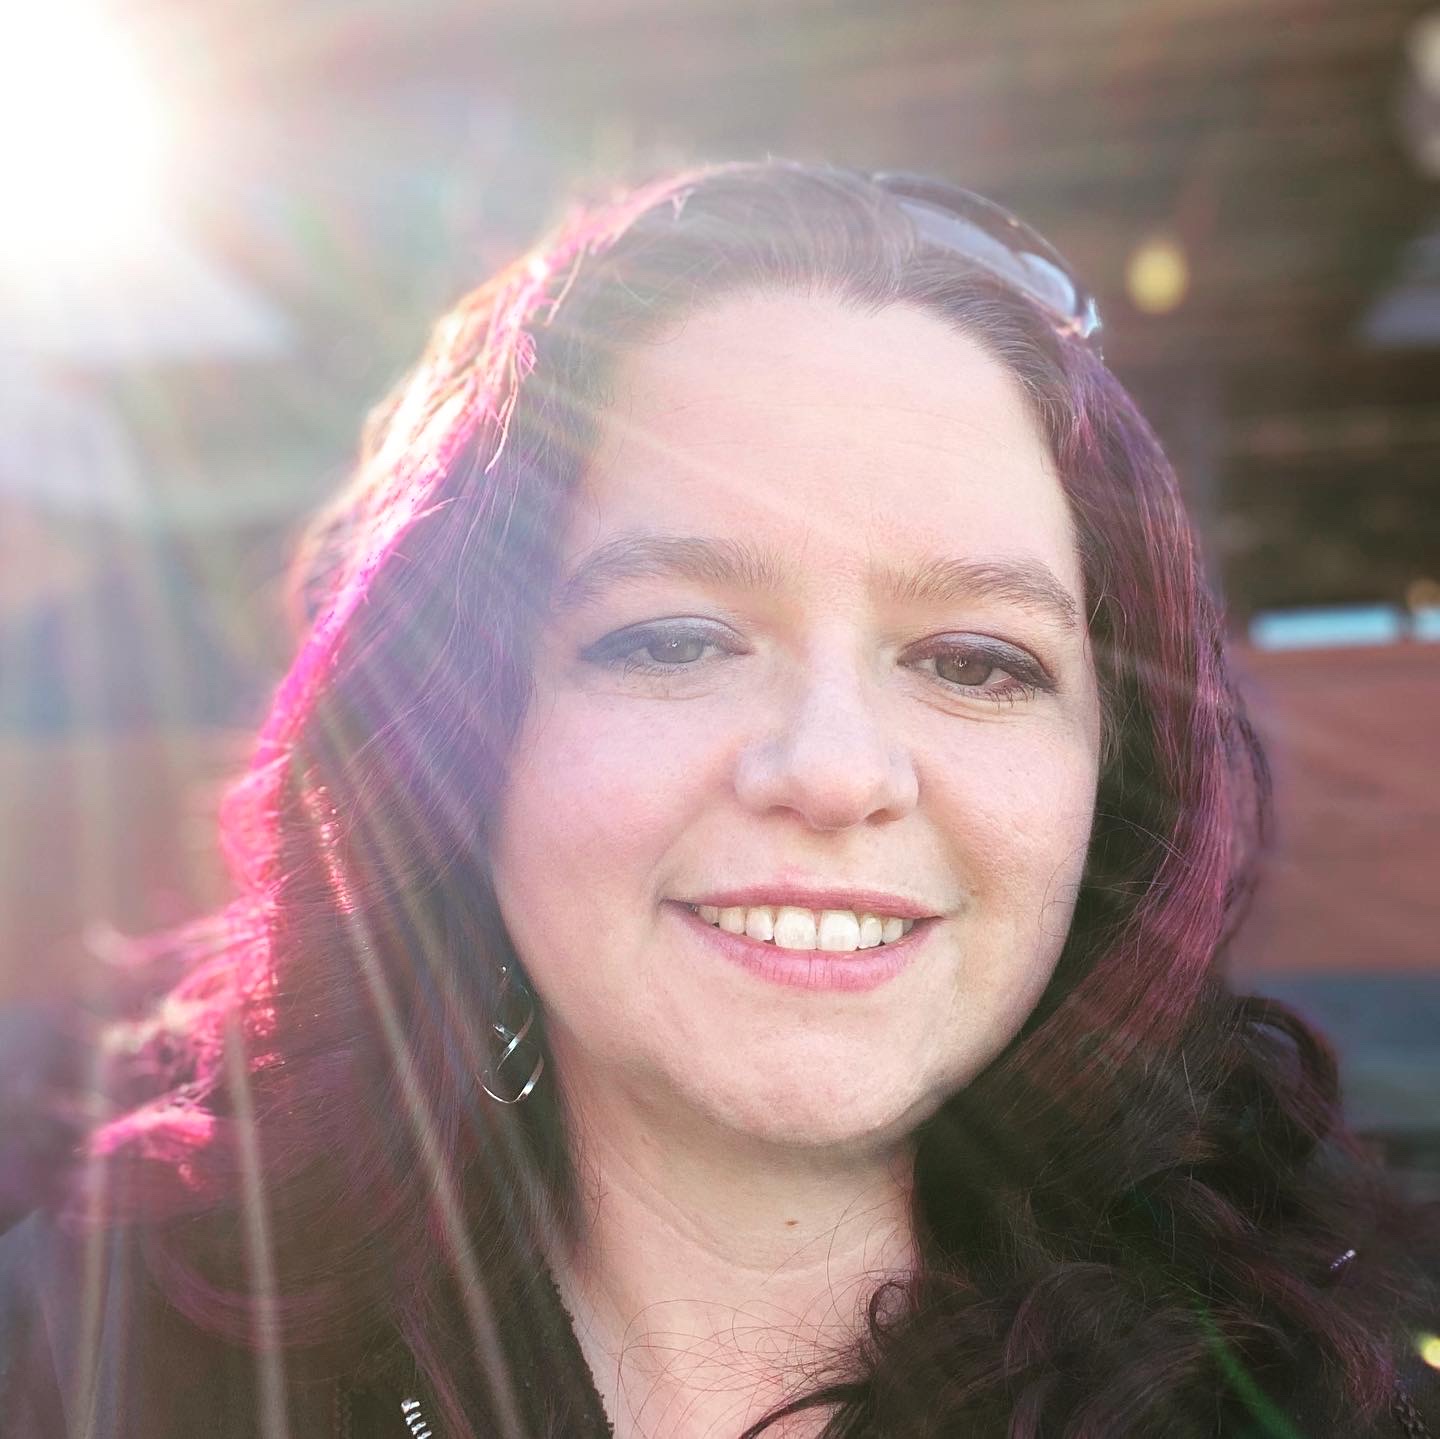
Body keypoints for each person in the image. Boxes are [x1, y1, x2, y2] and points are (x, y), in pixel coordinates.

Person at [1, 160, 1437, 1438]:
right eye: (674, 640)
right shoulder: (88, 1363)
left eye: (975, 662)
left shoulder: (1323, 1393)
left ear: (1114, 789)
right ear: (458, 737)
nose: (834, 769)